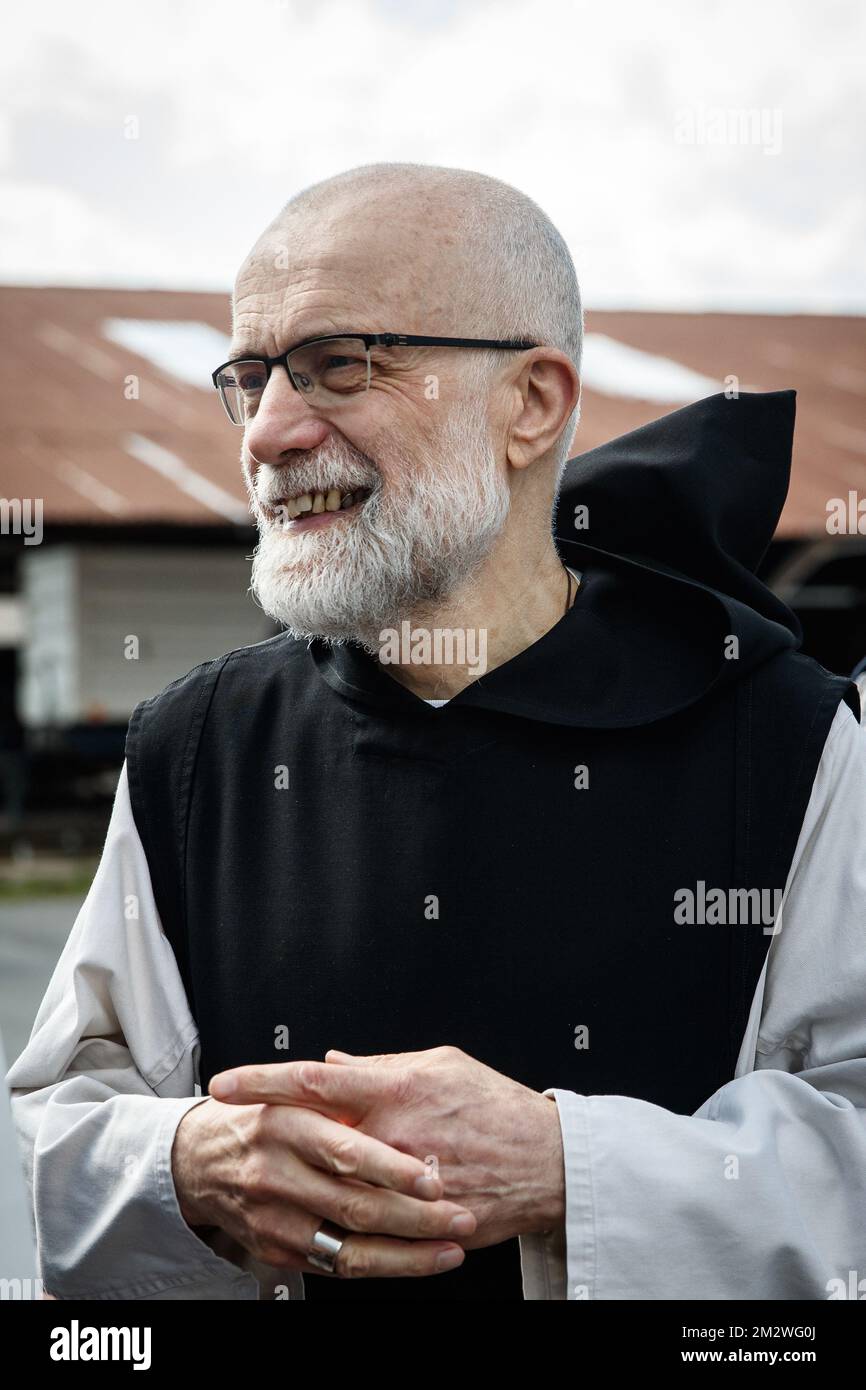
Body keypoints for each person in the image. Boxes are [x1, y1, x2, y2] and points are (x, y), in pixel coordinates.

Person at [7, 163, 866, 1301]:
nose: (265, 432)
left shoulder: (790, 740)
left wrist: (567, 1169)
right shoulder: (197, 745)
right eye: (250, 376)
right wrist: (186, 1165)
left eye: (338, 364)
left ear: (531, 403)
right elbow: (69, 1110)